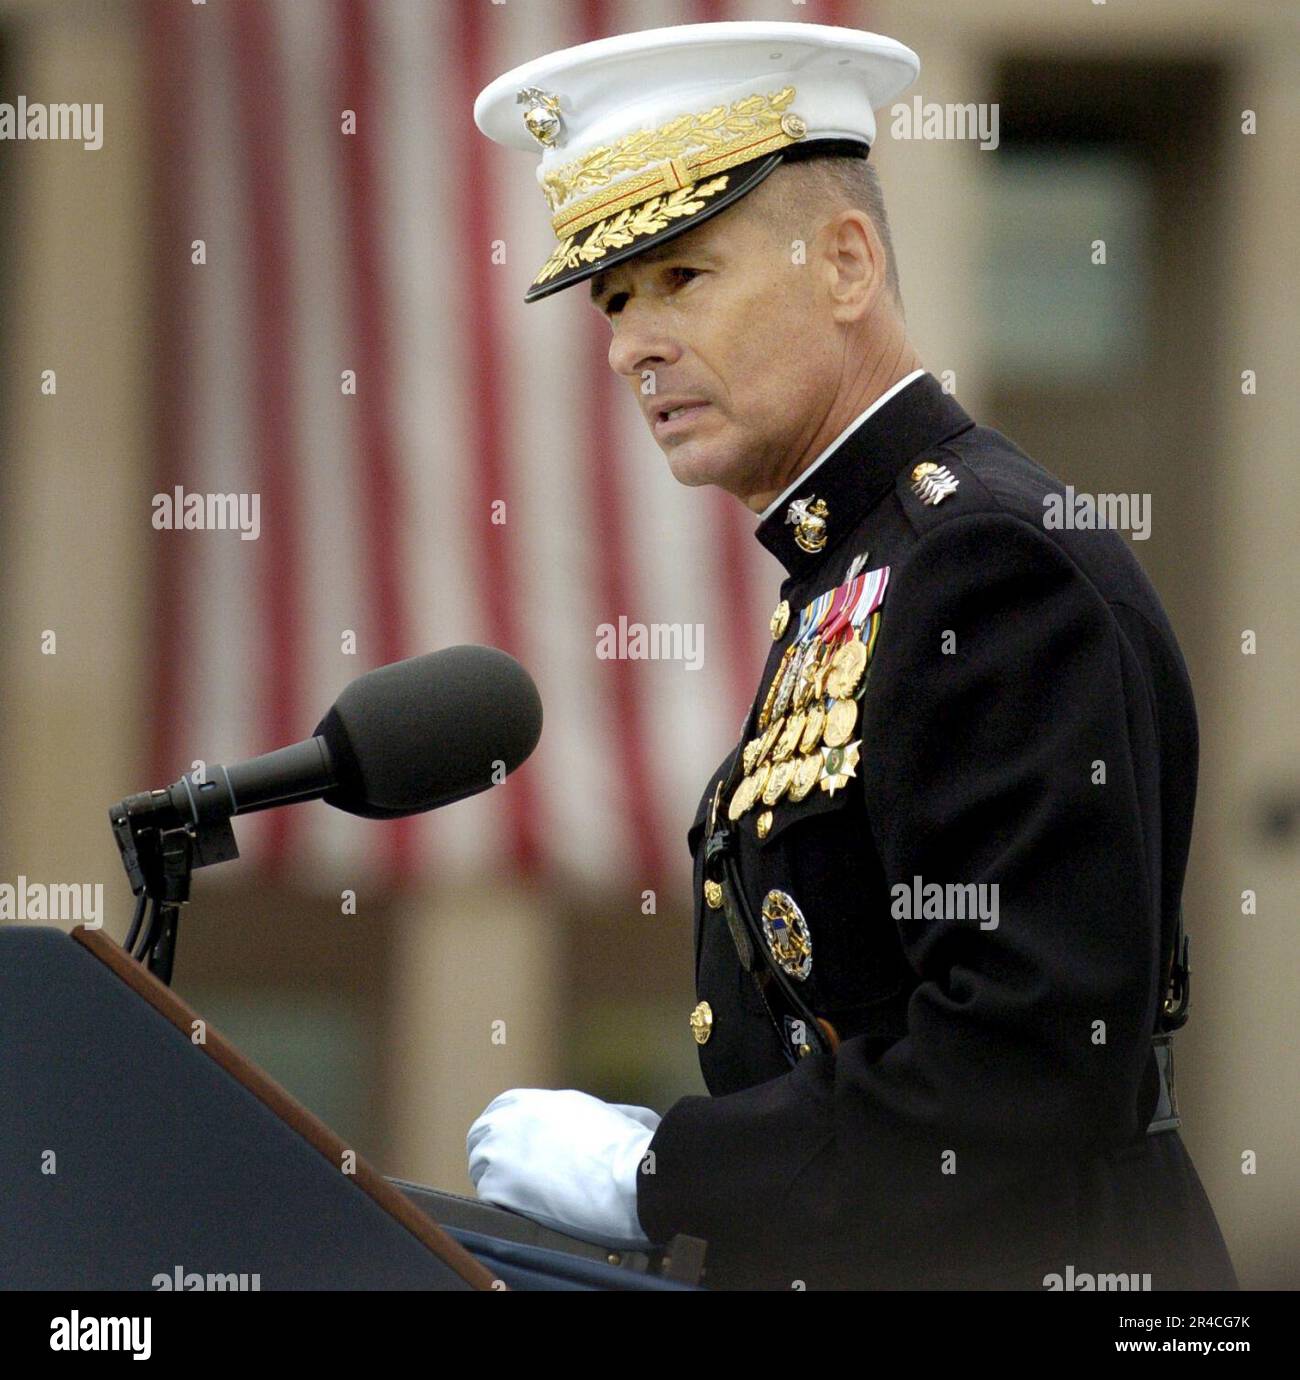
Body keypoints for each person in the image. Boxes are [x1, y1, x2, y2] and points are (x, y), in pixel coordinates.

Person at [466, 20, 1238, 1290]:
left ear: (844, 261)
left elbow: (1025, 1068)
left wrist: (661, 1174)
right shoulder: (862, 567)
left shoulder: (986, 564)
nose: (628, 345)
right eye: (614, 298)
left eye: (682, 278)